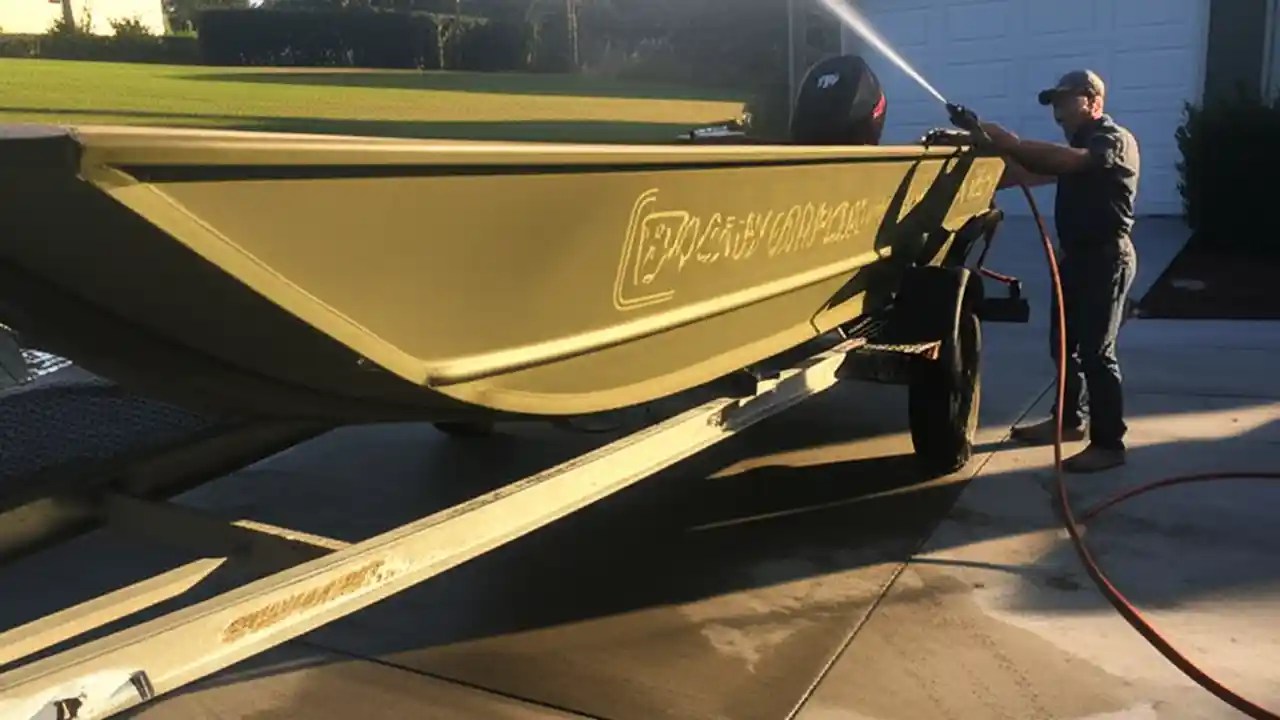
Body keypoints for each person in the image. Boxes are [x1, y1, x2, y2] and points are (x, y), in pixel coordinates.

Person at [977, 69, 1141, 473]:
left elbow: (1067, 161)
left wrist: (1010, 142)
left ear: (1093, 100)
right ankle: (1068, 421)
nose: (1058, 111)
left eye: (1066, 101)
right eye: (1055, 102)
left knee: (1097, 353)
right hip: (1077, 258)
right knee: (1062, 344)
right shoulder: (1079, 146)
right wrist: (979, 168)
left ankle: (1109, 444)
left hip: (1107, 259)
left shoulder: (1110, 140)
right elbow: (1031, 172)